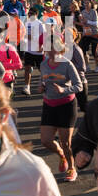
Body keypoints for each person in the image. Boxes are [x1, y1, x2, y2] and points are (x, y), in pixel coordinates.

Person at [38, 39, 83, 183]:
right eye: (48, 49)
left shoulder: (67, 64)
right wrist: (41, 87)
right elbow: (42, 80)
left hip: (66, 105)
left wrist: (64, 90)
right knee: (45, 140)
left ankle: (72, 168)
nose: (50, 52)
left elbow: (79, 85)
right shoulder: (44, 64)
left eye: (53, 49)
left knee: (66, 142)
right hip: (49, 104)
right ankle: (61, 155)